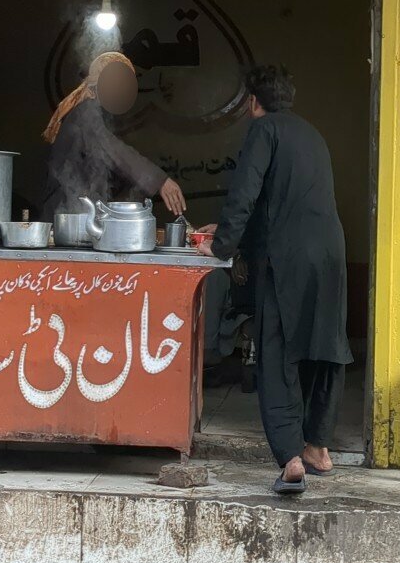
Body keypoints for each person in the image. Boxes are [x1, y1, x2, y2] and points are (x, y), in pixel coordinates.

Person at [197, 64, 351, 494]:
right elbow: (281, 201)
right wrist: (230, 235)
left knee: (277, 349)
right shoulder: (311, 135)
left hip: (289, 258)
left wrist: (222, 246)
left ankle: (290, 458)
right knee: (324, 347)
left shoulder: (263, 132)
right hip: (331, 254)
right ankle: (318, 447)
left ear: (253, 102)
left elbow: (245, 193)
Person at [41, 52, 185, 219]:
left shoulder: (94, 111)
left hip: (76, 214)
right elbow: (112, 149)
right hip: (65, 215)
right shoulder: (84, 112)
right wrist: (160, 180)